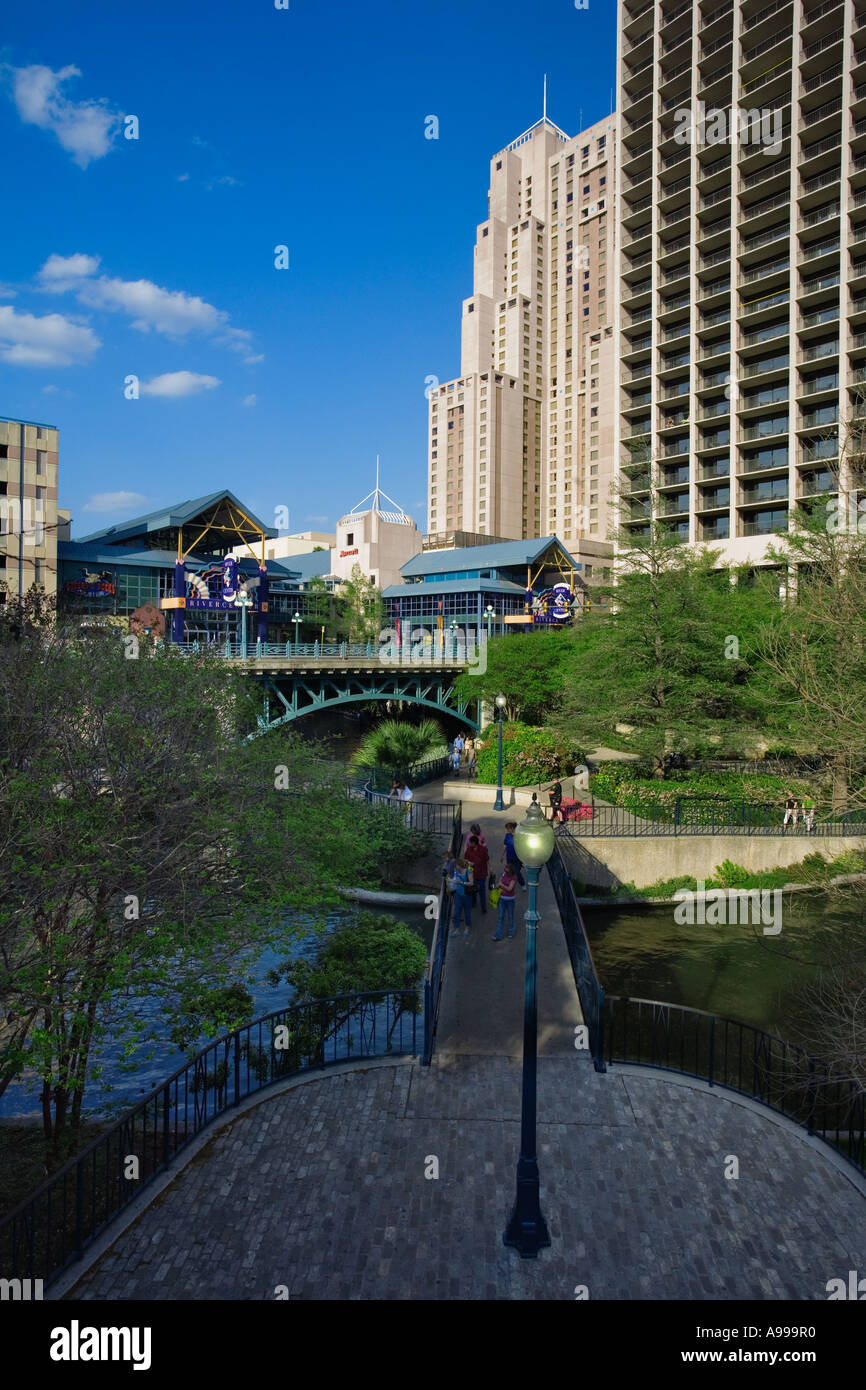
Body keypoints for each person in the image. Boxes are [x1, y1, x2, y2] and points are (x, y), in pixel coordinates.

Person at [464, 833, 490, 914]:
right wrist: (469, 863)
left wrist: (490, 868)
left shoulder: (482, 849)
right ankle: (473, 902)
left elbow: (487, 859)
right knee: (473, 889)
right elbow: (465, 860)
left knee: (482, 890)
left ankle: (483, 907)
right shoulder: (468, 850)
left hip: (482, 873)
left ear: (474, 843)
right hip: (472, 874)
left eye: (471, 843)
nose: (469, 844)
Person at [492, 864, 518, 940]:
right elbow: (499, 883)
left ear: (511, 870)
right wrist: (494, 886)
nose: (505, 870)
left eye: (507, 869)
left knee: (510, 916)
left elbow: (510, 889)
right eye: (505, 868)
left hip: (510, 900)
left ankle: (511, 932)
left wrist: (501, 885)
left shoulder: (514, 877)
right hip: (502, 899)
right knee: (500, 917)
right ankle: (498, 935)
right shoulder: (504, 874)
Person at [451, 857, 474, 934]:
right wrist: (452, 881)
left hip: (466, 895)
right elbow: (455, 880)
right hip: (458, 895)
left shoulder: (468, 872)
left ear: (459, 865)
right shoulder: (456, 872)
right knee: (456, 912)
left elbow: (471, 883)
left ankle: (467, 927)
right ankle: (456, 929)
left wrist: (461, 882)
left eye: (456, 866)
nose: (455, 867)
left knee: (467, 912)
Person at [502, 822, 526, 888]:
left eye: (508, 829)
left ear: (512, 828)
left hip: (517, 858)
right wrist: (502, 855)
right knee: (509, 871)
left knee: (517, 872)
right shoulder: (507, 835)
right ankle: (510, 884)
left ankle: (522, 884)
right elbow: (505, 845)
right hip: (509, 857)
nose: (507, 830)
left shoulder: (518, 836)